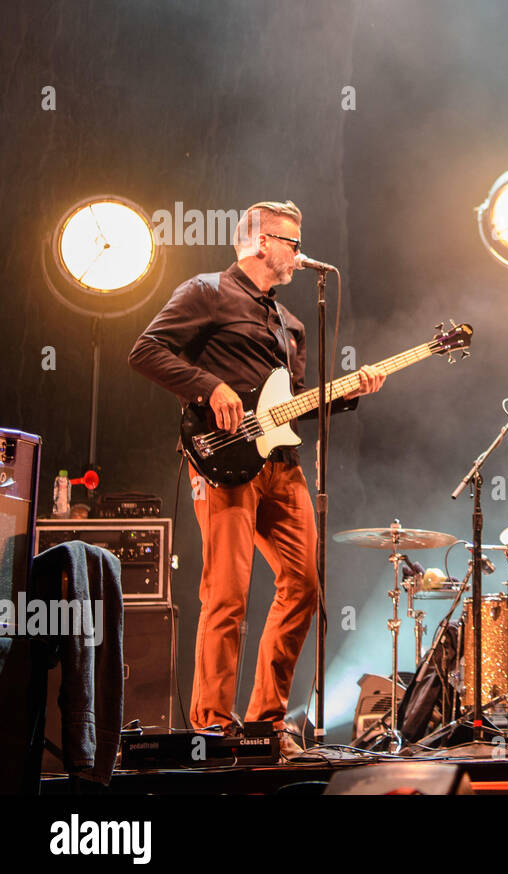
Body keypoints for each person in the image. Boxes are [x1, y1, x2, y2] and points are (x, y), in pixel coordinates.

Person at [128, 200, 385, 758]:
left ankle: (265, 721)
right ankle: (212, 725)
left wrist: (347, 394)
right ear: (261, 241)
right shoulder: (206, 291)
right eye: (292, 243)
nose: (299, 254)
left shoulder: (289, 322)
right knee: (228, 593)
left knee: (304, 585)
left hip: (281, 465)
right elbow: (145, 351)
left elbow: (287, 406)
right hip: (222, 461)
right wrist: (208, 386)